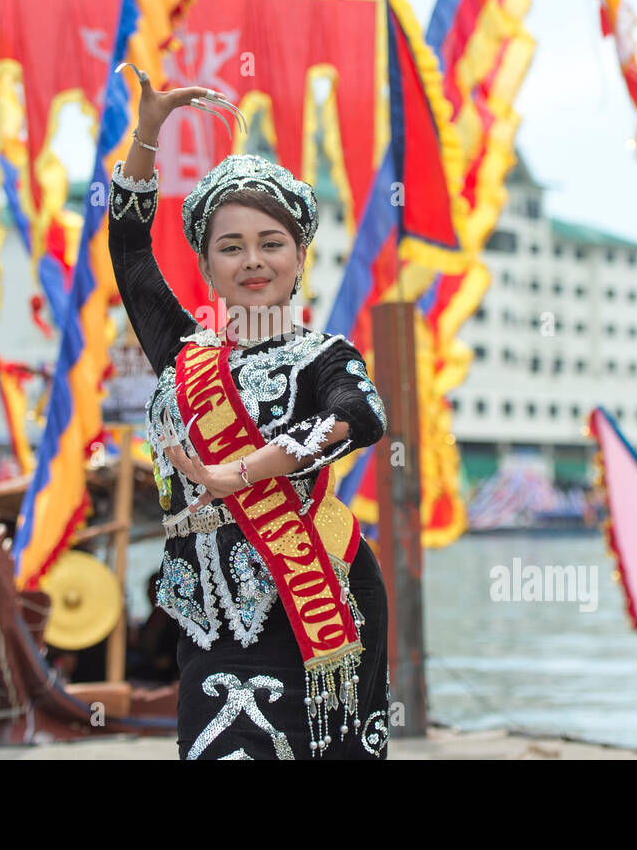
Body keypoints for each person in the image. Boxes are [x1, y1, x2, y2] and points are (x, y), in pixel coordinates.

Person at [106, 65, 391, 760]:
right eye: (230, 246)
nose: (252, 260)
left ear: (299, 257)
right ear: (206, 263)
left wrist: (241, 470)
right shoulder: (180, 353)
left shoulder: (324, 354)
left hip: (314, 598)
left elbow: (361, 413)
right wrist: (148, 134)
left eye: (272, 243)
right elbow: (129, 247)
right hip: (205, 617)